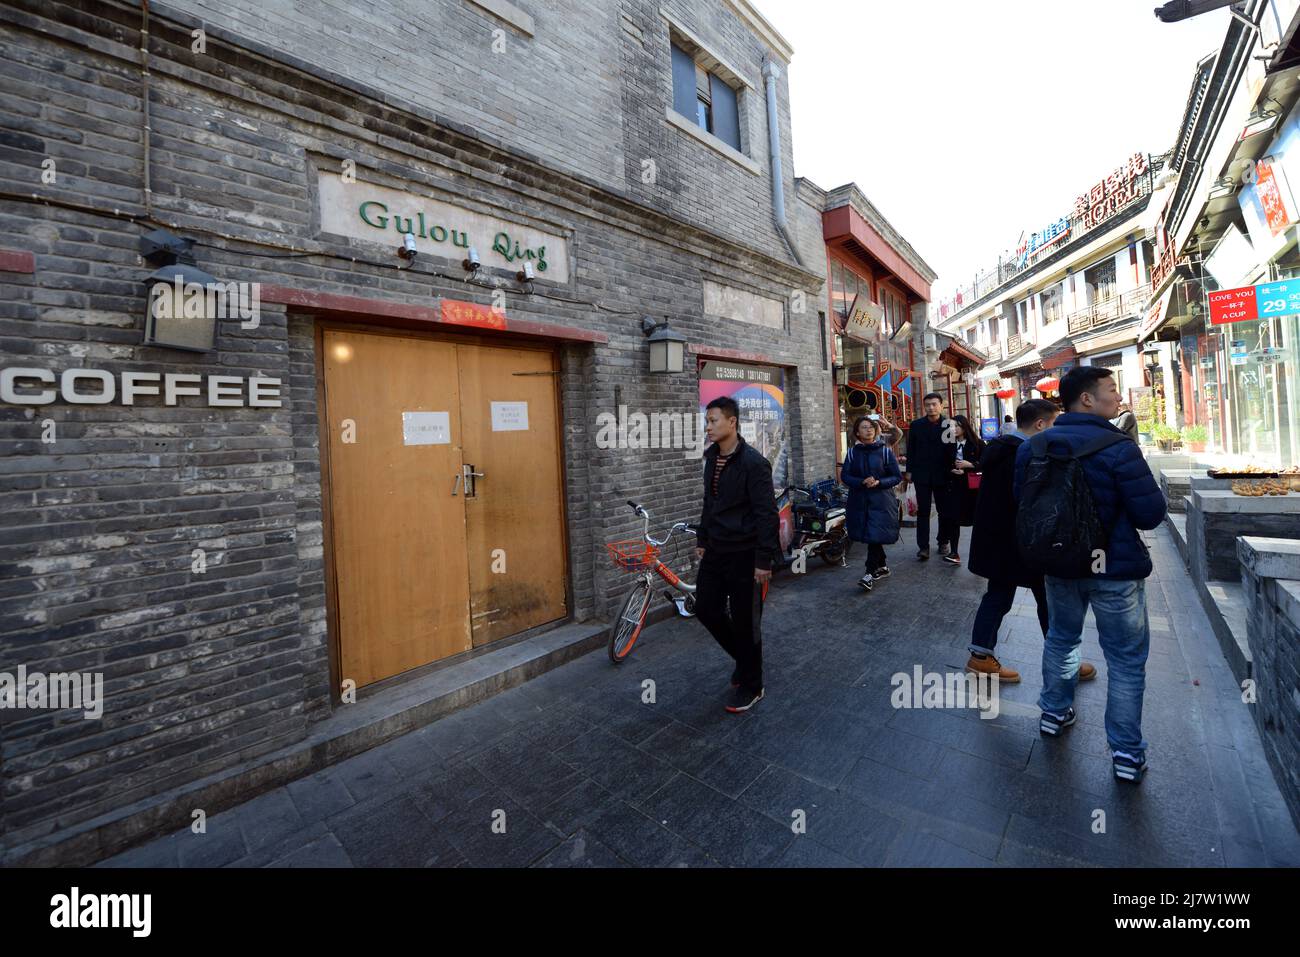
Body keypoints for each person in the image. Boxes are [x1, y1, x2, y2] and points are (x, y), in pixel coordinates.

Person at [1014, 366, 1167, 783]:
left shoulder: (1034, 446)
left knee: (1062, 640)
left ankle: (1052, 713)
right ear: (1086, 398)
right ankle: (1125, 753)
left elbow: (1022, 505)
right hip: (1113, 569)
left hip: (1060, 565)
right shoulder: (1119, 447)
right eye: (1112, 390)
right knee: (1125, 660)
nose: (1118, 398)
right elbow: (1150, 515)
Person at [966, 399, 1098, 684]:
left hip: (998, 538)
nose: (1056, 430)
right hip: (1024, 541)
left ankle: (980, 656)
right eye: (1053, 424)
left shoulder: (999, 449)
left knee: (1000, 594)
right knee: (1047, 597)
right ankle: (1065, 662)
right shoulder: (1027, 453)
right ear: (1040, 424)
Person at [694, 396, 781, 713]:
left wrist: (763, 560)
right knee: (705, 608)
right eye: (707, 421)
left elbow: (766, 515)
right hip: (716, 550)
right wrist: (703, 537)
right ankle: (745, 660)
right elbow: (709, 502)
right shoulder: (711, 458)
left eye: (713, 420)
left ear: (732, 422)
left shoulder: (754, 463)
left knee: (746, 623)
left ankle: (752, 684)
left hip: (745, 554)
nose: (709, 426)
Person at [841, 416, 902, 592]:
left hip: (881, 501)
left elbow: (896, 476)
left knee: (874, 534)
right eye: (864, 427)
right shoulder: (852, 453)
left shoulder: (885, 451)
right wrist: (861, 482)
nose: (868, 430)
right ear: (857, 432)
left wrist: (879, 482)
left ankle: (868, 573)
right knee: (871, 535)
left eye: (871, 427)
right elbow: (845, 476)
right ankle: (882, 566)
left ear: (876, 431)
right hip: (859, 500)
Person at [904, 393, 955, 561]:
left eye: (934, 404)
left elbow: (952, 451)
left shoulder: (948, 425)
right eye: (928, 405)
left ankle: (943, 541)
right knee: (923, 511)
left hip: (943, 474)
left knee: (944, 511)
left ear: (941, 405)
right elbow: (911, 449)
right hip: (922, 474)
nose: (931, 408)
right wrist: (909, 470)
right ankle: (923, 547)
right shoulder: (916, 425)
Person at [935, 414, 982, 566]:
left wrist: (970, 466)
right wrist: (952, 471)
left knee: (976, 520)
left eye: (956, 426)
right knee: (953, 519)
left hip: (972, 488)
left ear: (964, 426)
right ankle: (954, 552)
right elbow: (941, 465)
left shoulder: (977, 443)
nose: (953, 429)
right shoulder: (947, 444)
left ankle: (980, 552)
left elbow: (987, 463)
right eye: (951, 426)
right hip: (953, 487)